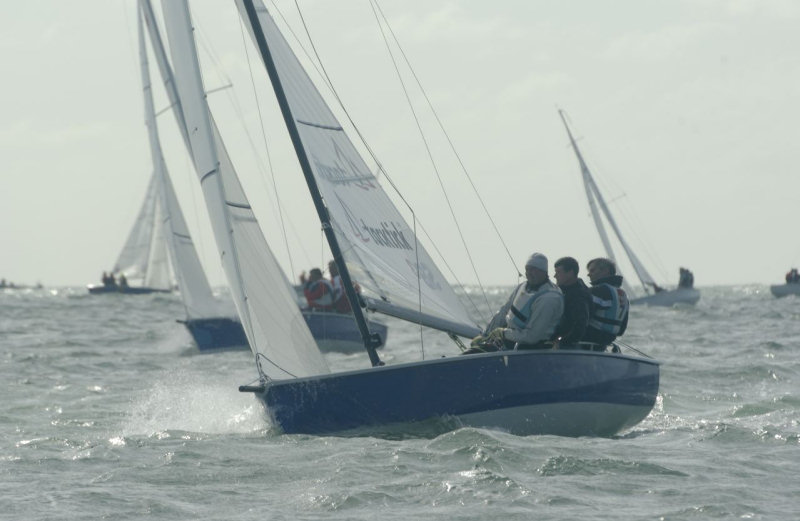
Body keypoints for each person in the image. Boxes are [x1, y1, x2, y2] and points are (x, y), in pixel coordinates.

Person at [467, 252, 563, 353]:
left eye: (534, 270)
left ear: (544, 272)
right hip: (510, 342)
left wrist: (503, 333)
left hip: (531, 349)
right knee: (471, 352)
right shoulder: (522, 287)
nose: (529, 273)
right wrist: (485, 336)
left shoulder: (550, 298)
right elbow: (504, 312)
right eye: (527, 269)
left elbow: (532, 337)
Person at [582, 257, 629, 350]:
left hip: (588, 339)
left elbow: (582, 317)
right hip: (606, 342)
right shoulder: (623, 295)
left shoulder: (599, 290)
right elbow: (621, 330)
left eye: (592, 270)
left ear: (605, 271)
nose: (588, 274)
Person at [551, 256, 592, 349]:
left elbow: (580, 324)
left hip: (567, 346)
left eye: (558, 272)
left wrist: (562, 341)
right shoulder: (564, 291)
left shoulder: (579, 296)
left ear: (570, 273)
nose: (555, 276)